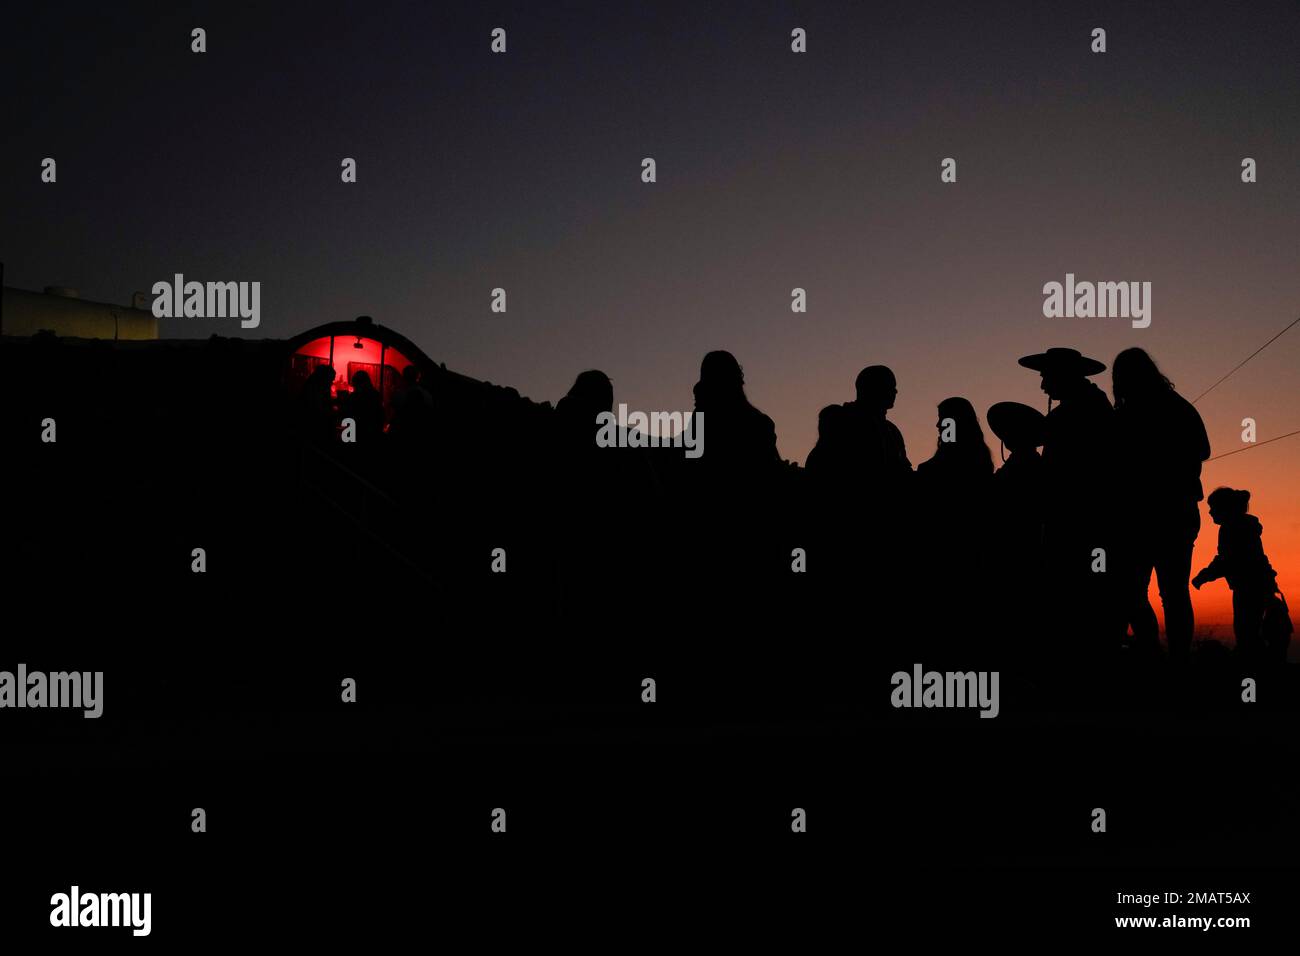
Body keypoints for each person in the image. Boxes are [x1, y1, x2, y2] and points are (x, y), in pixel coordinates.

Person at [1017, 347, 1119, 661]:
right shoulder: (1093, 406)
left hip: (1079, 522)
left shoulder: (1077, 412)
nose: (1043, 385)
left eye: (1046, 377)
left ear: (1062, 376)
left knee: (1076, 592)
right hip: (1084, 519)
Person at [1111, 348, 1210, 661]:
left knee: (1135, 590)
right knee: (1172, 593)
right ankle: (1172, 658)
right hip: (1176, 514)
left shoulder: (1127, 416)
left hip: (1143, 517)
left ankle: (1153, 652)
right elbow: (1203, 450)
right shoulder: (1179, 407)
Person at [1193, 488, 1292, 666]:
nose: (1210, 512)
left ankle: (1253, 669)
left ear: (1225, 508)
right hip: (1261, 584)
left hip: (1249, 588)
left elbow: (1228, 560)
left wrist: (1204, 575)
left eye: (1213, 508)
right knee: (1255, 630)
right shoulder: (1243, 526)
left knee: (1247, 632)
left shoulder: (1231, 528)